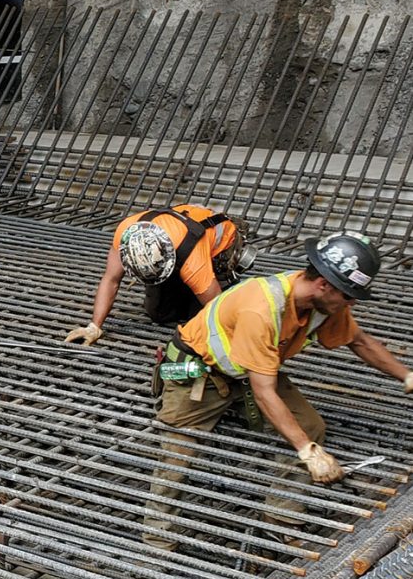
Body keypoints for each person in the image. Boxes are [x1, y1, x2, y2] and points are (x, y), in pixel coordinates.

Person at [142, 231, 413, 550]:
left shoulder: (324, 304)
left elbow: (359, 341)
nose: (352, 302)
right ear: (324, 284)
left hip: (250, 370)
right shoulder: (262, 308)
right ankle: (158, 541)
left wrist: (406, 375)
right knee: (179, 451)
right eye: (349, 295)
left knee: (310, 426)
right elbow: (265, 394)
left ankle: (281, 517)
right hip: (201, 372)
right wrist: (307, 451)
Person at [65, 204, 256, 345]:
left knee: (202, 318)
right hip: (178, 242)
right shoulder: (125, 235)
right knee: (159, 314)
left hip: (221, 244)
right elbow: (111, 280)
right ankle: (186, 290)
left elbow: (217, 306)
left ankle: (234, 288)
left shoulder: (191, 256)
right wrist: (94, 327)